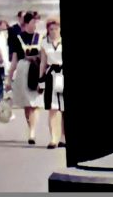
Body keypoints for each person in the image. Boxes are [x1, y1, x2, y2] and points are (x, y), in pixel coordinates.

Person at [7, 12, 43, 145]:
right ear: (27, 23)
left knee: (34, 103)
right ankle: (30, 127)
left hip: (36, 70)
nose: (36, 25)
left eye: (38, 22)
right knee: (27, 105)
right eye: (34, 22)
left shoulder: (41, 38)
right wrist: (9, 79)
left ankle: (32, 132)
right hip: (23, 71)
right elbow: (14, 61)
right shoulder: (18, 38)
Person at [39, 20, 64, 149]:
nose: (53, 31)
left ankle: (63, 137)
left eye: (56, 28)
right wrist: (40, 80)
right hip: (52, 76)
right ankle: (54, 138)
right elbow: (43, 63)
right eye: (51, 29)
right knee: (52, 108)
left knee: (64, 109)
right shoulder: (44, 43)